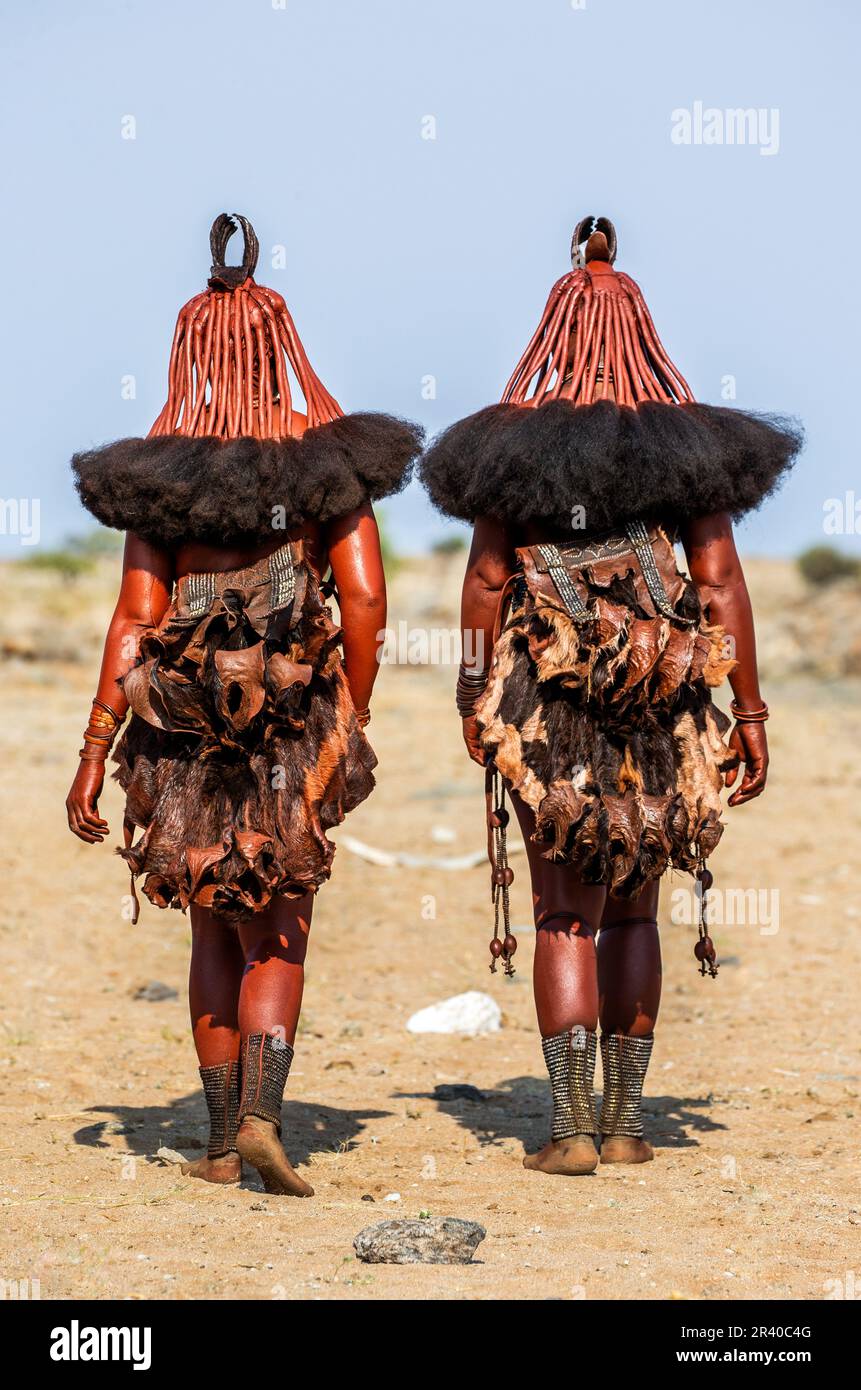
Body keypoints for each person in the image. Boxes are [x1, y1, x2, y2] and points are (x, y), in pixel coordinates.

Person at [420, 216, 801, 1176]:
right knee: (634, 908)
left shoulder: (507, 452)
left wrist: (475, 693)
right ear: (637, 328)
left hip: (545, 705)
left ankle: (572, 1131)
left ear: (554, 328)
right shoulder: (683, 449)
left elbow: (483, 581)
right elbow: (717, 582)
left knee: (562, 914)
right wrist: (748, 714)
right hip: (662, 703)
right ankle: (626, 1126)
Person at [66, 214, 421, 1196]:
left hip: (175, 731)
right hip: (290, 724)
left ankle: (221, 1145)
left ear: (194, 349)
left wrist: (95, 751)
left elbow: (133, 622)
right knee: (280, 920)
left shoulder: (160, 484)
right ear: (280, 346)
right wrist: (354, 705)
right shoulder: (328, 470)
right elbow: (367, 599)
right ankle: (264, 1117)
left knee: (210, 925)